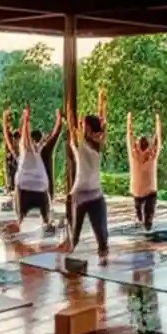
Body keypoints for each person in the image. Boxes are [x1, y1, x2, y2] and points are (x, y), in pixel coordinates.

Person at [65, 89, 109, 256]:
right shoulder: (80, 142)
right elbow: (71, 124)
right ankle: (71, 262)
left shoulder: (96, 142)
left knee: (102, 238)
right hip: (83, 195)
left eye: (84, 125)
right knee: (75, 234)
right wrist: (69, 109)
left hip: (94, 195)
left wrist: (102, 103)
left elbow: (102, 120)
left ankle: (102, 263)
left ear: (90, 129)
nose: (82, 127)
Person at [5, 107, 61, 235]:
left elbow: (11, 140)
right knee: (45, 218)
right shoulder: (37, 150)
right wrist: (25, 120)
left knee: (20, 217)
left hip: (24, 186)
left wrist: (24, 120)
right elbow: (53, 135)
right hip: (39, 187)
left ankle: (20, 225)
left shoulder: (23, 151)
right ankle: (46, 223)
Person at [127, 111, 162, 231]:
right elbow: (158, 139)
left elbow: (129, 136)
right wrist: (157, 121)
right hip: (149, 191)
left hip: (139, 192)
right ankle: (145, 223)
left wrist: (129, 120)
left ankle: (143, 221)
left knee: (142, 217)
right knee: (147, 220)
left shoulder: (133, 155)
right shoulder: (152, 156)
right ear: (148, 147)